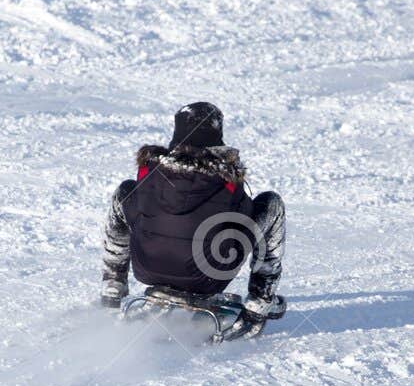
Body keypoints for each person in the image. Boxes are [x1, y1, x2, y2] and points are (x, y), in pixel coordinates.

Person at [100, 102, 286, 338]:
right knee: (272, 204)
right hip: (208, 277)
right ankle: (260, 302)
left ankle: (112, 288)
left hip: (149, 269)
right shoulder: (225, 176)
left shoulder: (151, 175)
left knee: (126, 192)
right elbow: (242, 220)